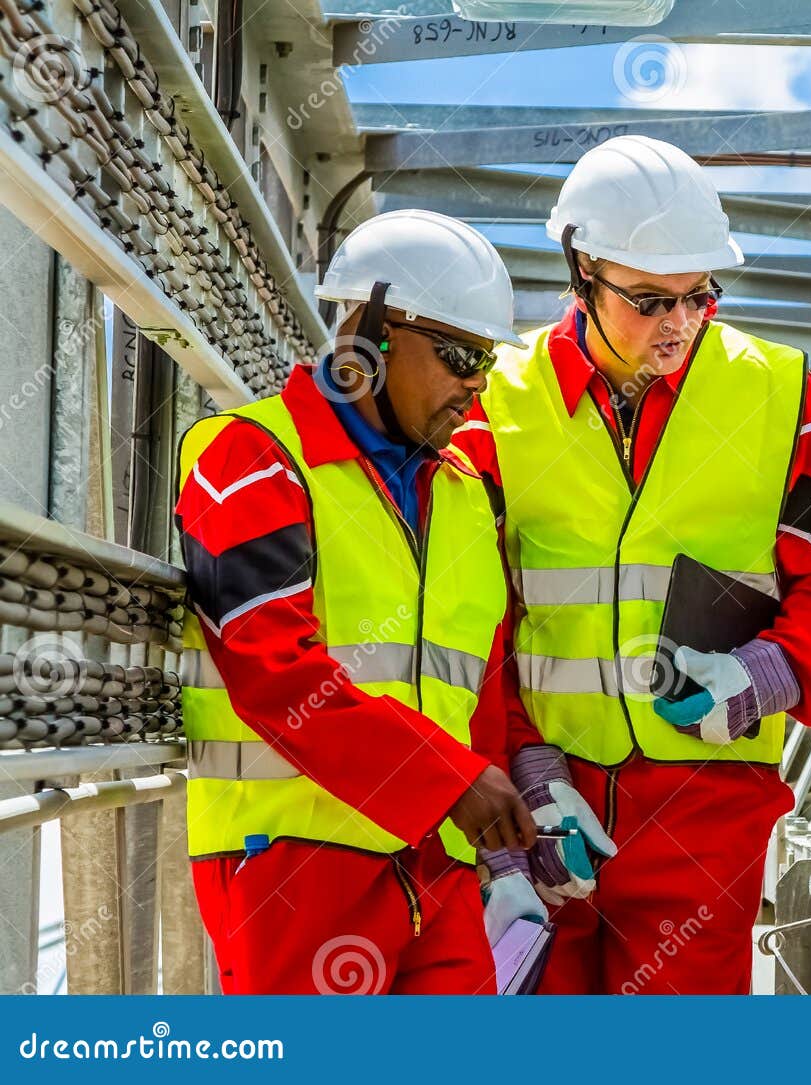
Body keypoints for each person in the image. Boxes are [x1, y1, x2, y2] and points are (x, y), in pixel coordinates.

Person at [454, 135, 811, 994]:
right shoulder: (495, 405)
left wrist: (768, 673)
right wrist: (525, 771)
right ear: (581, 270)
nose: (681, 323)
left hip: (706, 816)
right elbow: (465, 618)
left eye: (701, 295)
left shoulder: (777, 393)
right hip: (546, 806)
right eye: (652, 300)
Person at [175, 209, 548, 994]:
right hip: (292, 862)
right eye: (458, 354)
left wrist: (504, 837)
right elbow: (273, 672)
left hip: (435, 869)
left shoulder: (462, 494)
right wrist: (448, 780)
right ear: (371, 335)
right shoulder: (251, 457)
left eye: (485, 359)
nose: (477, 381)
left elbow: (474, 687)